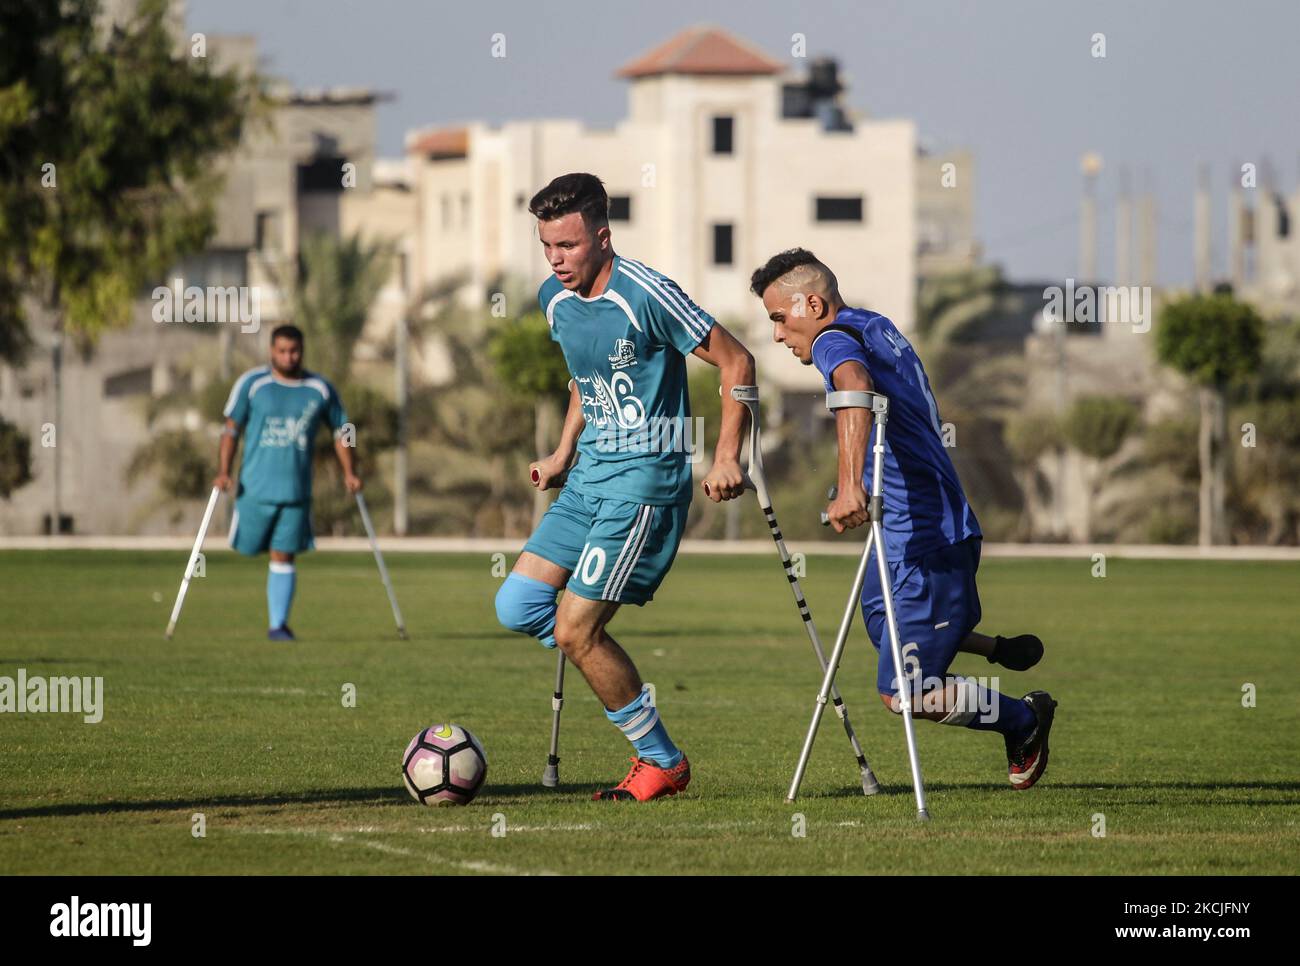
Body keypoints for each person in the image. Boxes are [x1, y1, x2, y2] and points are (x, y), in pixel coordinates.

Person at [749, 248, 1056, 789]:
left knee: (904, 694)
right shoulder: (873, 324)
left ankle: (1022, 719)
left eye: (780, 318)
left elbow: (855, 388)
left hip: (926, 536)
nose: (778, 334)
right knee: (883, 629)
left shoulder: (831, 339)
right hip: (899, 535)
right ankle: (993, 648)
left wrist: (850, 488)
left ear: (812, 304)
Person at [495, 172, 756, 801]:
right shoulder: (552, 300)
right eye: (548, 247)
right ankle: (590, 637)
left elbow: (737, 360)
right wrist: (561, 453)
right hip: (586, 480)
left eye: (569, 246)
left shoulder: (648, 294)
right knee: (517, 607)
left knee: (575, 631)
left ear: (603, 237)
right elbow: (584, 382)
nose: (557, 260)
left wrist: (725, 457)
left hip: (645, 482)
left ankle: (660, 760)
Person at [214, 324, 360, 640]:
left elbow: (343, 430)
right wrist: (224, 470)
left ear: (302, 351)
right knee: (248, 548)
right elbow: (230, 429)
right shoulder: (253, 384)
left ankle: (277, 625)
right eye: (281, 351)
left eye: (294, 351)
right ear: (271, 350)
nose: (288, 357)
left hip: (295, 492)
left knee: (284, 554)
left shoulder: (320, 388)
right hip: (254, 489)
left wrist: (350, 472)